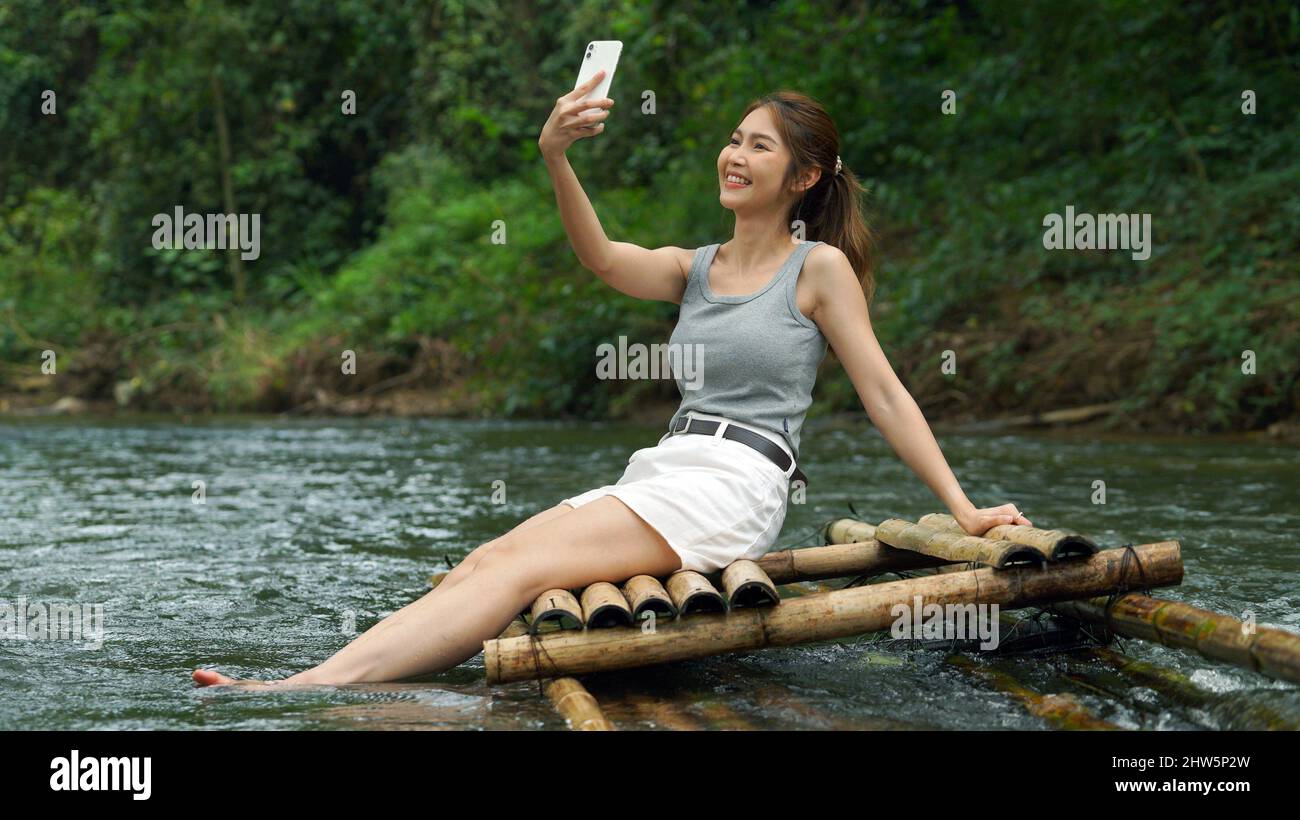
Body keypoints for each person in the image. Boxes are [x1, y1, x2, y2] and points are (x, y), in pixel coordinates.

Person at [192, 70, 1029, 688]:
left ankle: (301, 692)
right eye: (734, 139)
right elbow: (599, 255)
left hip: (737, 483)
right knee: (485, 560)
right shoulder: (693, 267)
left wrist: (962, 507)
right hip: (668, 466)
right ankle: (347, 675)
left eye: (758, 146)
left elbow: (884, 393)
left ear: (804, 177)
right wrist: (557, 155)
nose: (734, 155)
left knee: (515, 573)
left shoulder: (818, 270)